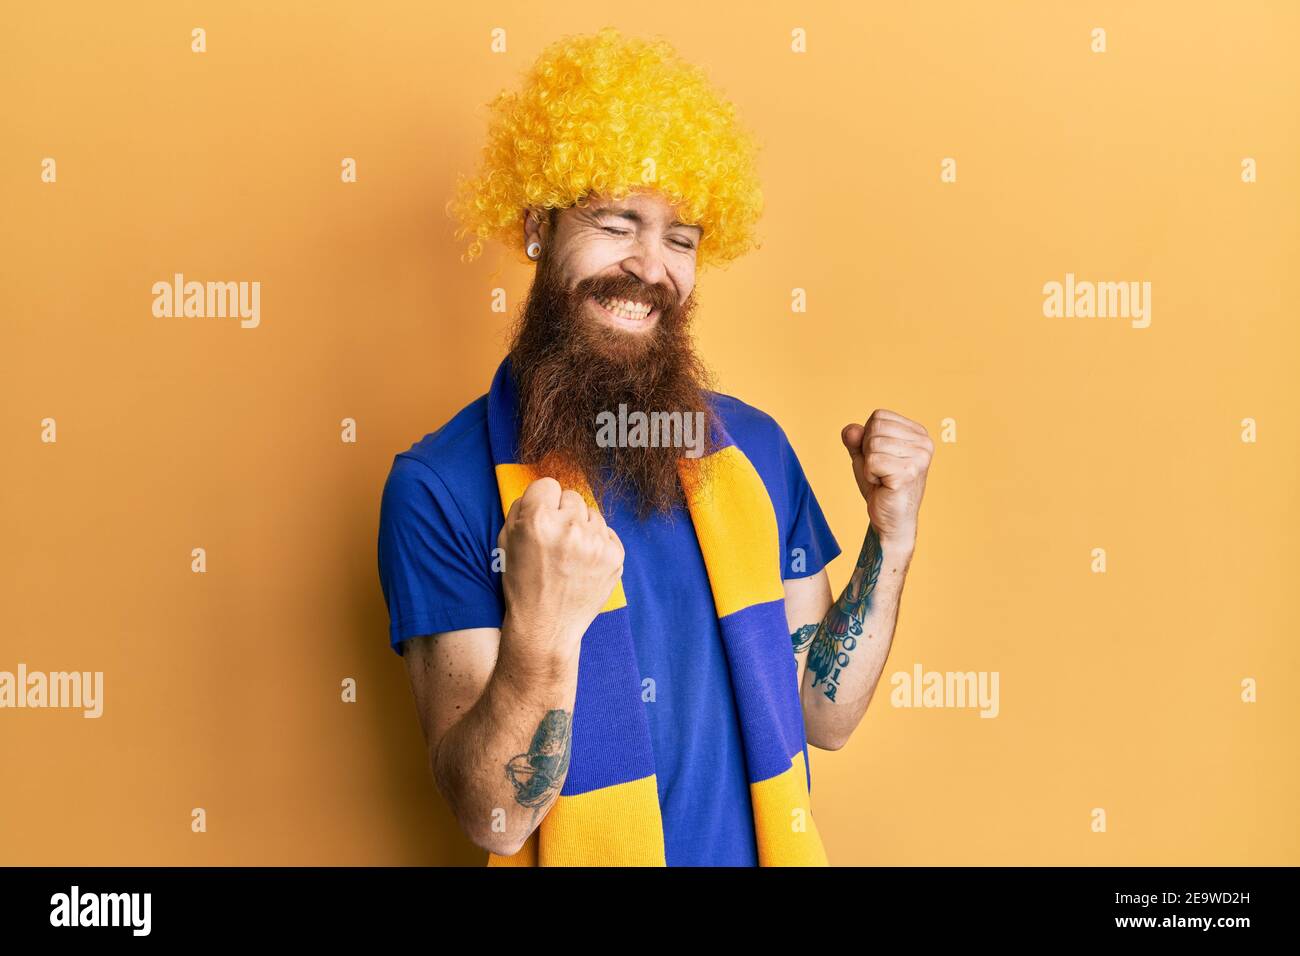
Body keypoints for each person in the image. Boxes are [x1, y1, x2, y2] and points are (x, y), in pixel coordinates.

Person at [377, 26, 932, 866]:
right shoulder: (439, 487)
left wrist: (890, 541)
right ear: (537, 225)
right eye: (616, 220)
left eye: (681, 237)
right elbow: (494, 820)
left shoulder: (751, 449)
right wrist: (543, 629)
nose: (650, 265)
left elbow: (826, 714)